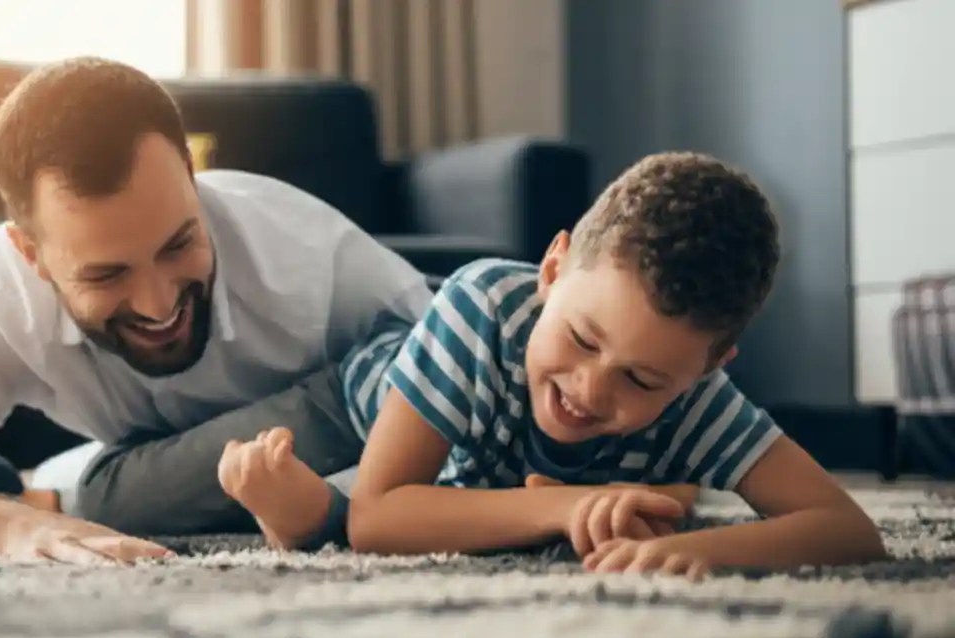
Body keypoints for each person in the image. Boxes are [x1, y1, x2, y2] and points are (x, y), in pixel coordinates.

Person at [0, 57, 433, 564]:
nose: (159, 302)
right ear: (31, 254)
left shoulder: (312, 262)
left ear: (193, 188)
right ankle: (39, 495)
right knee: (105, 498)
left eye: (180, 244)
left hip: (345, 426)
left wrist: (325, 509)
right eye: (107, 273)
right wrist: (11, 526)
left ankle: (57, 488)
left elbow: (462, 382)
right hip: (137, 464)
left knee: (118, 497)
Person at [218, 152, 887, 579]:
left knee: (354, 510)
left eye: (643, 380)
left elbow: (848, 530)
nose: (590, 389)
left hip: (469, 468)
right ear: (553, 267)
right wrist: (570, 507)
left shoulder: (699, 399)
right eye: (583, 338)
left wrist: (693, 552)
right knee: (188, 484)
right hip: (358, 396)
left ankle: (311, 515)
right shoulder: (480, 308)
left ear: (709, 367)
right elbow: (378, 520)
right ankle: (303, 509)